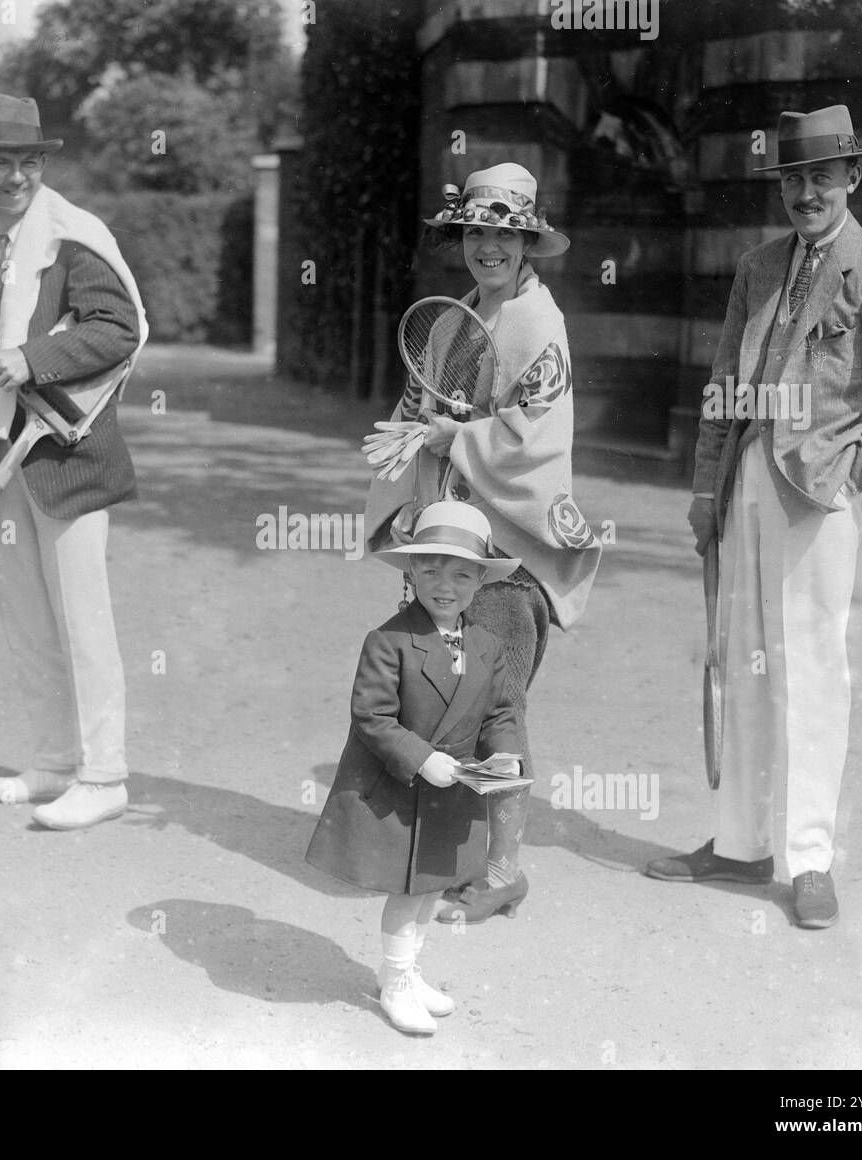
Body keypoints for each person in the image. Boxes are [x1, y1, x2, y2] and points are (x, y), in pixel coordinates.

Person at [645, 106, 862, 928]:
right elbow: (720, 391)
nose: (805, 192)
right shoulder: (758, 268)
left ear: (852, 178)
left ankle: (809, 858)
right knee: (740, 661)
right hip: (745, 485)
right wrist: (708, 492)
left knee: (811, 674)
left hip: (817, 500)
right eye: (792, 178)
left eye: (821, 176)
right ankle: (740, 845)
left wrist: (852, 472)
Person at [364, 163, 601, 924]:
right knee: (444, 695)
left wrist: (452, 435)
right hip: (452, 545)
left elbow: (537, 435)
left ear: (528, 242)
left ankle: (503, 870)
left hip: (508, 554)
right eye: (475, 230)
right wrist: (407, 475)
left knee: (494, 707)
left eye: (505, 233)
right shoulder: (448, 320)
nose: (488, 246)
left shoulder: (539, 323)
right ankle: (453, 853)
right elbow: (418, 413)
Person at [0, 94, 149, 830]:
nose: (15, 174)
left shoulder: (76, 238)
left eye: (28, 161)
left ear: (43, 164)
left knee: (84, 617)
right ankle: (52, 764)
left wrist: (35, 356)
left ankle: (105, 776)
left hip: (64, 455)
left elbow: (121, 328)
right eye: (0, 161)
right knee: (26, 616)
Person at [306, 502, 523, 1035]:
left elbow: (499, 710)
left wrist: (505, 751)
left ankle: (404, 970)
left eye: (461, 574)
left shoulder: (488, 645)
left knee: (431, 887)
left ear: (480, 583)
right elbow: (372, 716)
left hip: (455, 788)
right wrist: (423, 759)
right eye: (429, 570)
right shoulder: (389, 641)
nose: (444, 585)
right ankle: (396, 983)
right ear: (411, 573)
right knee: (408, 890)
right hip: (404, 788)